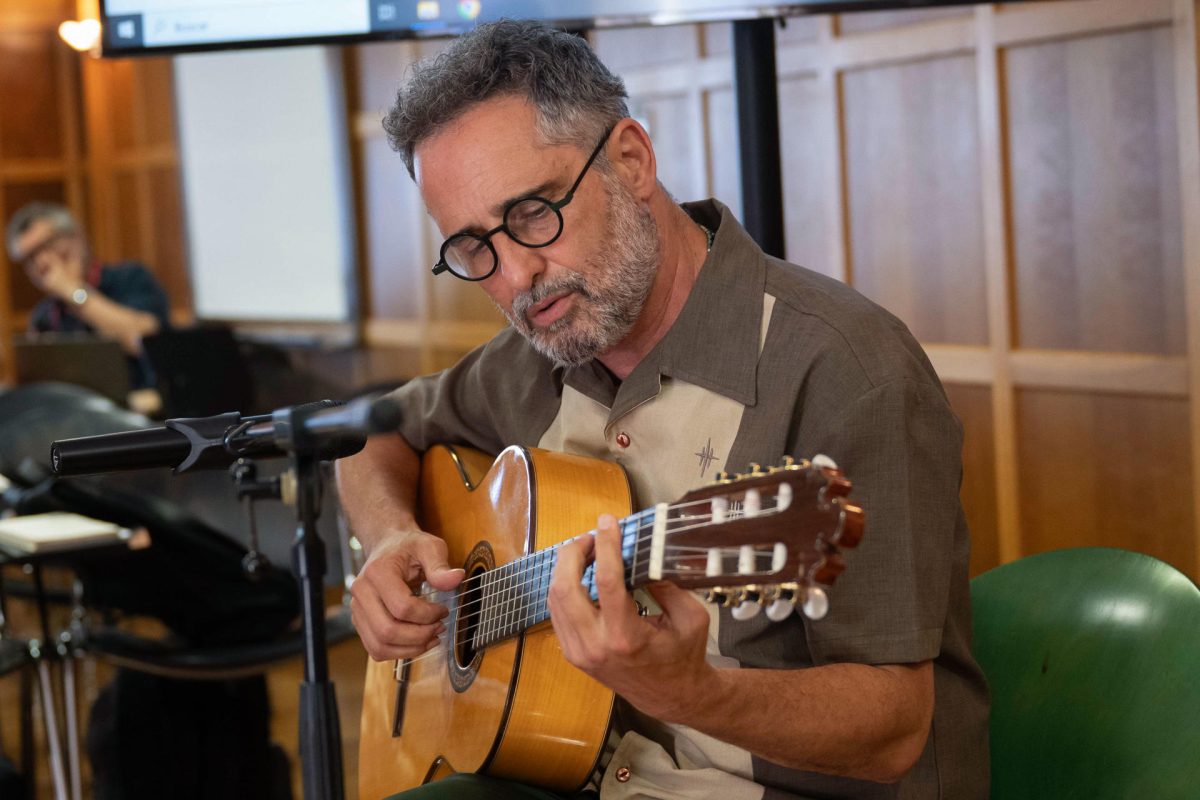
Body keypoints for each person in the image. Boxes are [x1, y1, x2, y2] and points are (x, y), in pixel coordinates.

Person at [337, 19, 989, 800]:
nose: (516, 277)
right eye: (473, 249)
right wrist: (390, 536)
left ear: (631, 161)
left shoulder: (846, 372)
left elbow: (895, 731)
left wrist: (693, 693)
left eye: (533, 214)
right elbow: (368, 436)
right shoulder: (540, 352)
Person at [5, 201, 170, 390]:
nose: (42, 262)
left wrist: (72, 291)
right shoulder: (44, 317)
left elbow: (143, 341)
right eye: (30, 258)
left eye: (47, 245)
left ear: (76, 237)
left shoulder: (129, 278)